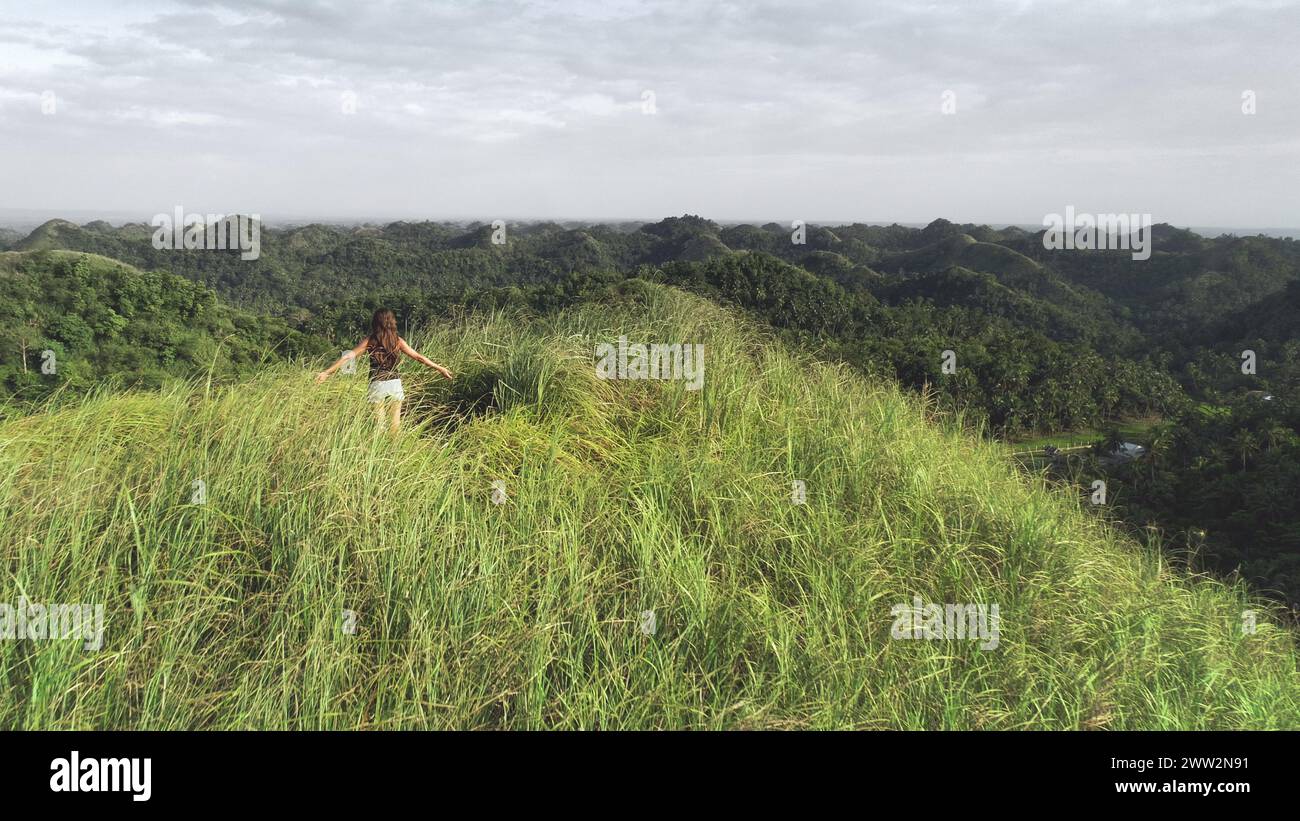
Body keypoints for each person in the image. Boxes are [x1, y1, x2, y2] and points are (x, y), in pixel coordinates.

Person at [315, 308, 452, 431]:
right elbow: (418, 357)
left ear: (375, 323)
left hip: (377, 383)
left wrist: (326, 372)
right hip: (395, 383)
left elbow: (348, 356)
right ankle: (394, 453)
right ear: (392, 322)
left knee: (379, 426)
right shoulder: (397, 341)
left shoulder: (370, 341)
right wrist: (440, 368)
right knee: (395, 426)